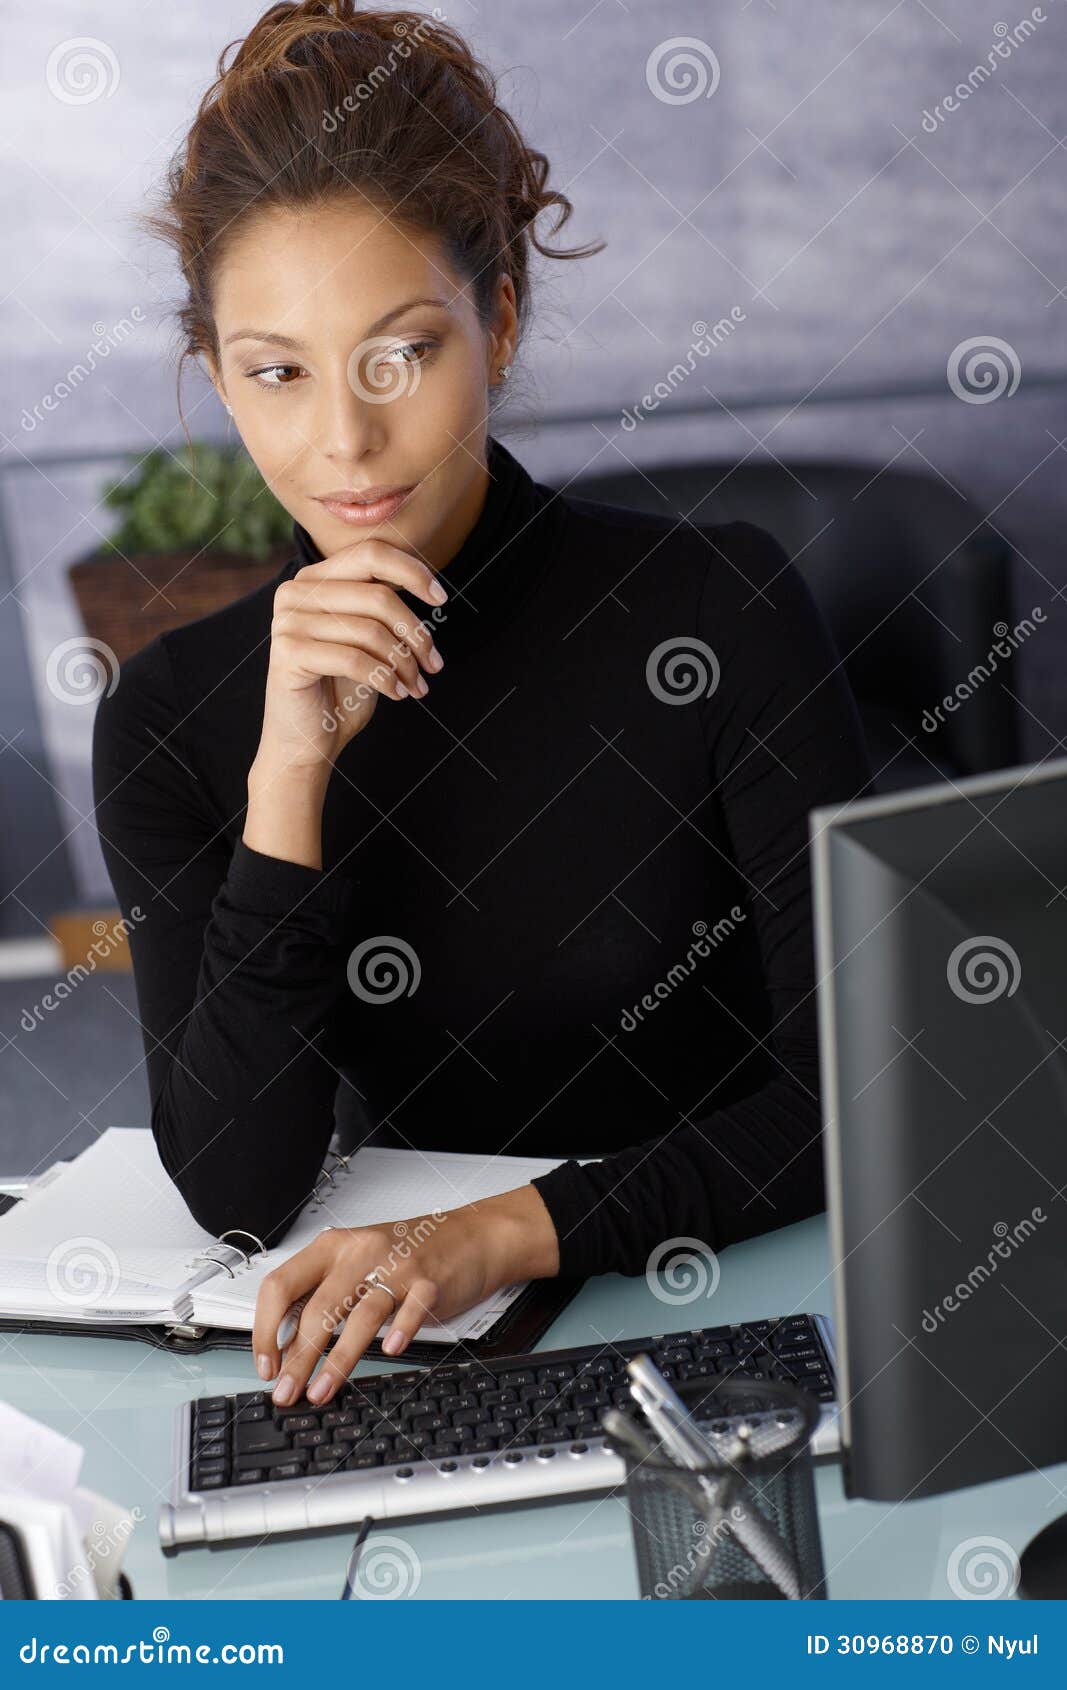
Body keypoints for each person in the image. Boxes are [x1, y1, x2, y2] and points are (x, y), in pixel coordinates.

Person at [92, 0, 875, 1409]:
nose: (344, 439)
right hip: (422, 1367)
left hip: (755, 1319)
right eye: (276, 372)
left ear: (497, 321)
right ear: (216, 377)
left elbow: (868, 1095)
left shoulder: (717, 610)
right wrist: (289, 784)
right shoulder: (174, 714)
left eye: (401, 354)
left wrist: (501, 1232)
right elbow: (237, 1188)